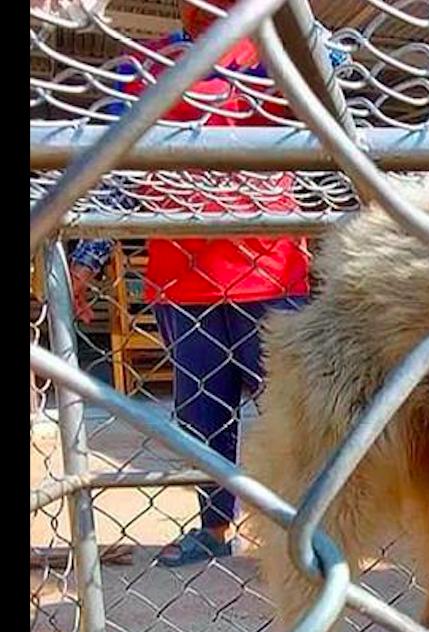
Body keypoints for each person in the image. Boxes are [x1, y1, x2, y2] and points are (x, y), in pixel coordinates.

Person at [68, 0, 311, 567]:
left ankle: (304, 527)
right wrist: (90, 255)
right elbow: (117, 171)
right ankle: (214, 526)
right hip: (183, 281)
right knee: (202, 417)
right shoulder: (146, 67)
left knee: (292, 415)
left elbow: (338, 78)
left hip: (270, 275)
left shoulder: (276, 59)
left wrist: (286, 22)